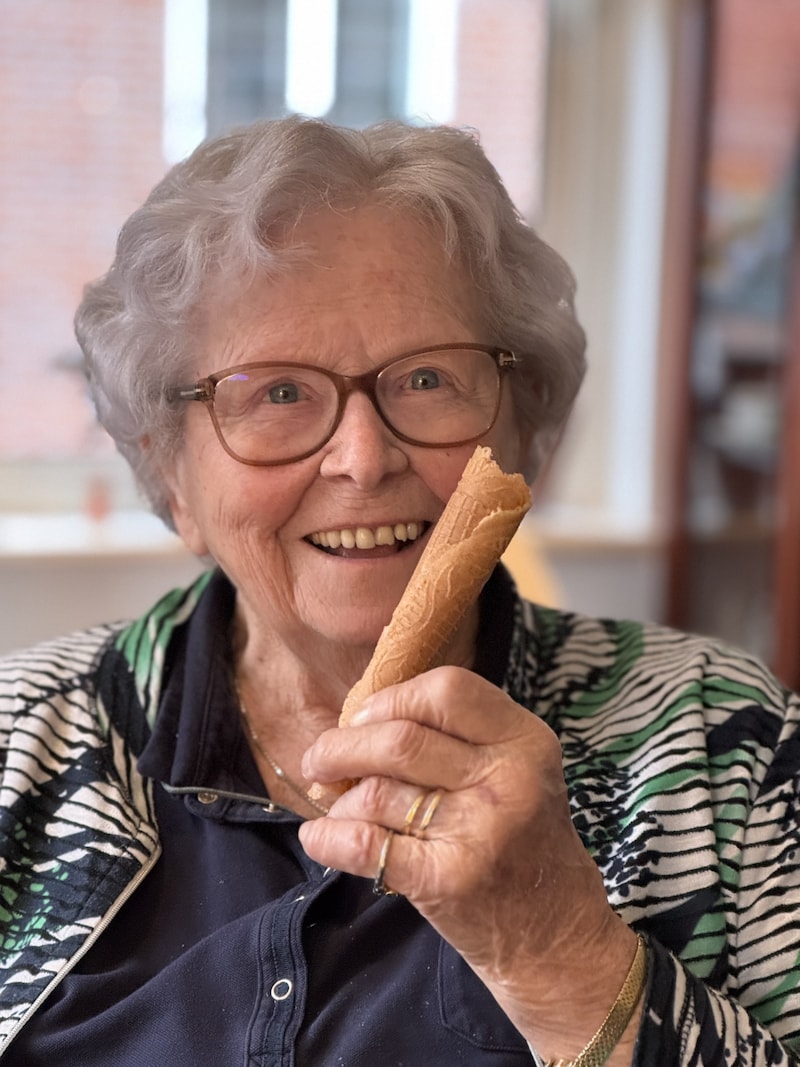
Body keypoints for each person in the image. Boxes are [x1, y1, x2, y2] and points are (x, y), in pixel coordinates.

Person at [0, 115, 799, 1067]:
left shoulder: (722, 747)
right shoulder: (23, 743)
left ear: (521, 422)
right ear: (173, 476)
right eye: (278, 392)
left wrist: (559, 954)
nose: (364, 457)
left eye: (425, 378)